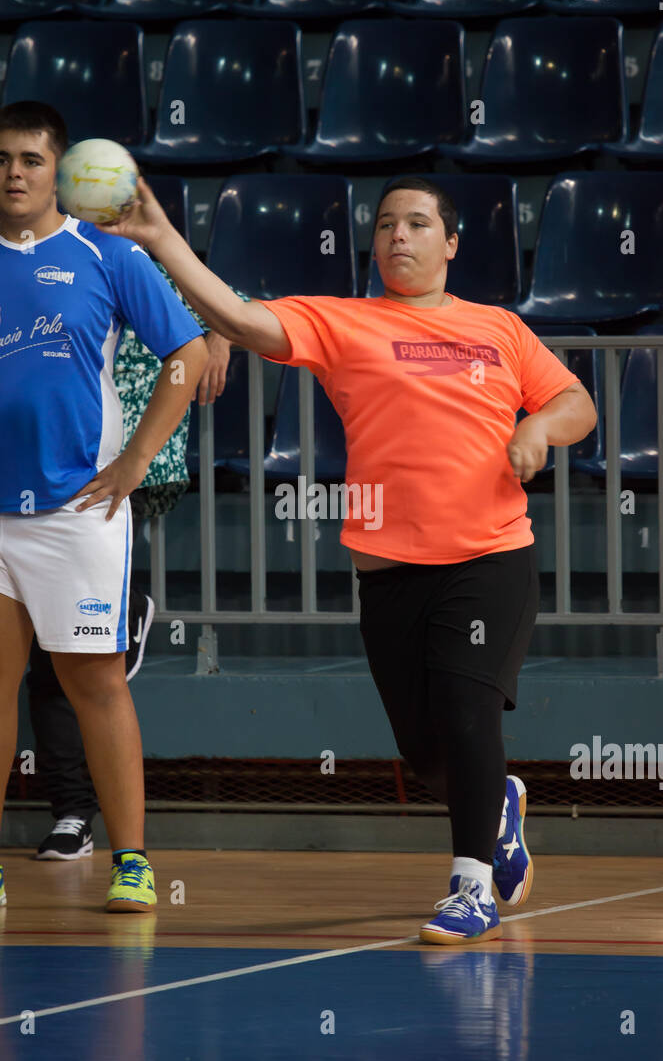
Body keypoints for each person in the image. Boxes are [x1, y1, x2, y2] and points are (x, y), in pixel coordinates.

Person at [98, 173, 597, 944]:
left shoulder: (499, 330)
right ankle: (497, 801)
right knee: (424, 750)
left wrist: (537, 431)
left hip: (489, 559)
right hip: (387, 572)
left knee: (468, 713)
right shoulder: (344, 324)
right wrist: (163, 237)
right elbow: (239, 318)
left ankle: (470, 889)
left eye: (419, 223)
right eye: (388, 223)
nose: (399, 235)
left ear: (451, 244)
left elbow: (577, 404)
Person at [0, 101, 208, 912]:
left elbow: (190, 351)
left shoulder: (107, 256)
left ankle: (132, 861)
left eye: (31, 160)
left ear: (59, 169)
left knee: (95, 683)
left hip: (82, 510)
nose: (14, 174)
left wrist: (136, 459)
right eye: (1, 160)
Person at [30, 263, 232, 860]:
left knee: (73, 661)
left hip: (135, 463)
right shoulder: (33, 266)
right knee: (46, 661)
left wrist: (218, 335)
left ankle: (126, 601)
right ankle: (72, 815)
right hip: (45, 468)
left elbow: (240, 304)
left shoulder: (146, 264)